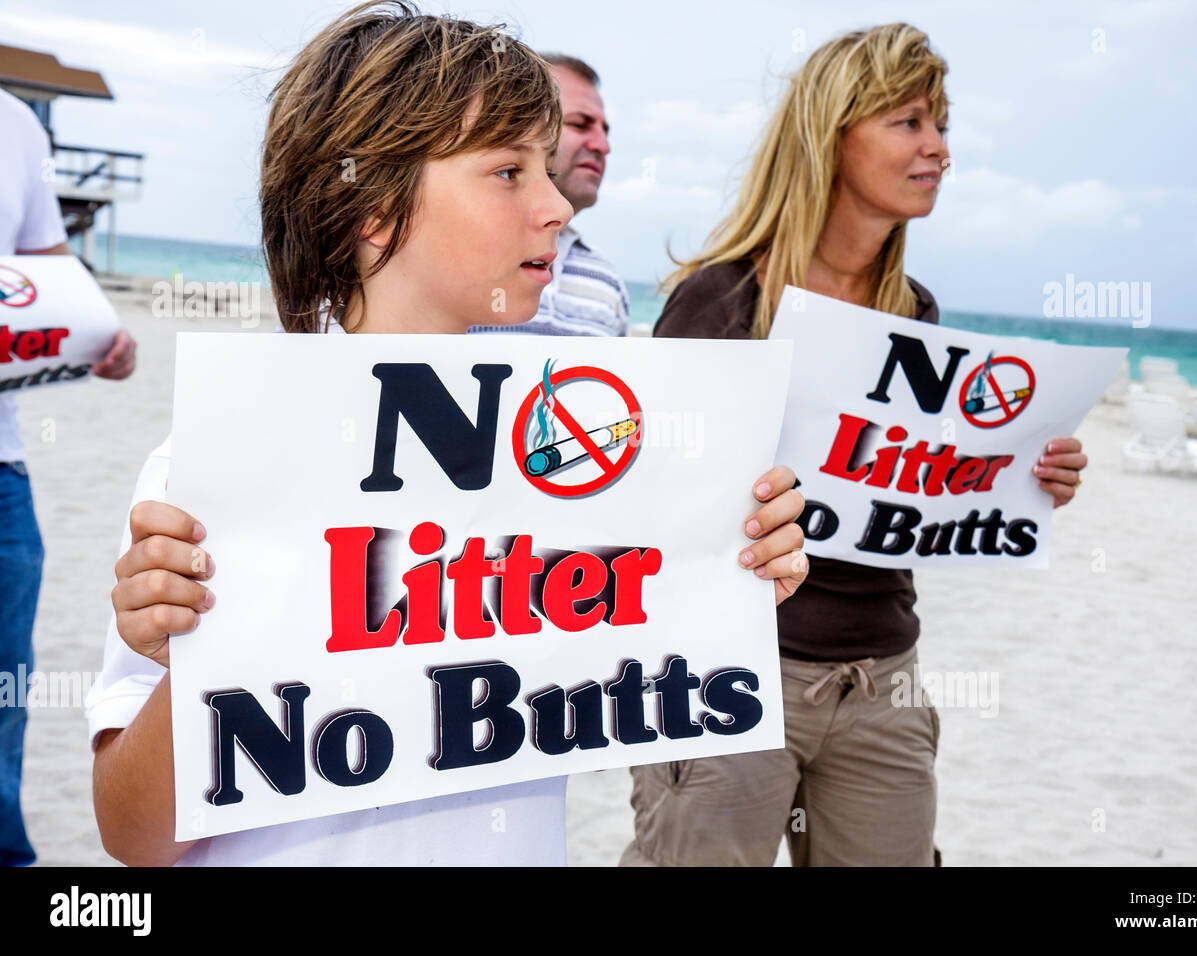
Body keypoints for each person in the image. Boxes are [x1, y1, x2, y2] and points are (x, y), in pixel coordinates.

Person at [86, 0, 807, 867]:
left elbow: (635, 686)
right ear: (374, 208)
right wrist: (190, 666)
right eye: (508, 171)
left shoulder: (574, 469)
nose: (555, 208)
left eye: (548, 167)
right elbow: (132, 838)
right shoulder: (213, 473)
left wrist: (725, 572)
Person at [621, 24, 1088, 867]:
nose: (939, 148)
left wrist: (1024, 473)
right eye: (909, 122)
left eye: (942, 125)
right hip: (732, 679)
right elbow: (650, 508)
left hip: (886, 678)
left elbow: (916, 483)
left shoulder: (916, 315)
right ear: (830, 135)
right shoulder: (720, 302)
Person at [0, 87, 136, 867]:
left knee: (7, 689)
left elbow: (52, 284)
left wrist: (102, 341)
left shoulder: (16, 124)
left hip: (3, 467)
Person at [468, 53, 627, 338]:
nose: (603, 145)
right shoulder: (459, 260)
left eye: (605, 130)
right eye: (580, 124)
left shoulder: (607, 281)